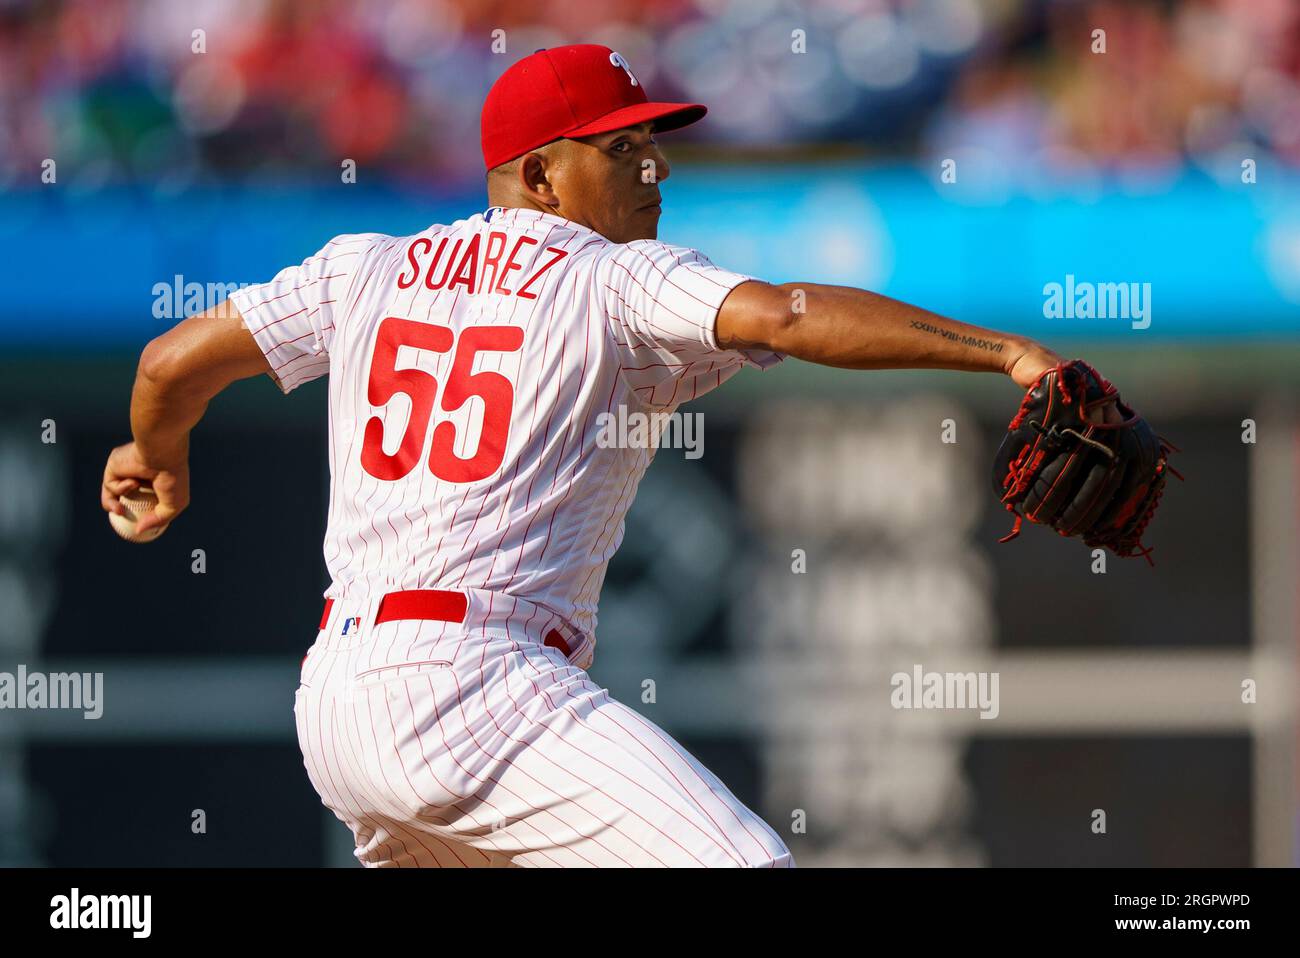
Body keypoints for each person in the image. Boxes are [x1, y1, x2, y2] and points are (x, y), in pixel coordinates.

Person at [101, 44, 1065, 867]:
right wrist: (1009, 353)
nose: (655, 170)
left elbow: (168, 363)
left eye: (653, 144)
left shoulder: (365, 268)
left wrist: (158, 456)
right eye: (622, 147)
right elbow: (793, 313)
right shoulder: (613, 276)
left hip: (337, 700)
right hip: (475, 678)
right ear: (540, 177)